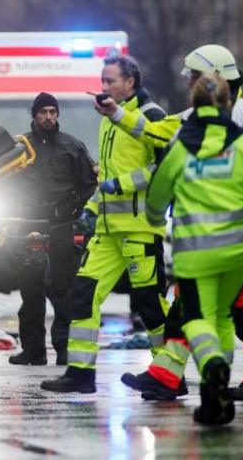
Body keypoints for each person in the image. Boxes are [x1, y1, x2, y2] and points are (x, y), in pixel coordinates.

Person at [97, 45, 243, 402]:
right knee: (193, 303)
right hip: (203, 237)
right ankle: (169, 375)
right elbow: (152, 131)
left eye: (194, 76)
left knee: (236, 305)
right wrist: (116, 113)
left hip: (232, 234)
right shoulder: (189, 119)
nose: (189, 82)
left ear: (214, 77)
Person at [41, 55, 170, 393]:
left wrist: (120, 185)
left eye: (110, 80)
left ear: (130, 82)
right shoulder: (108, 120)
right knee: (83, 296)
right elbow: (107, 178)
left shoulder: (152, 115)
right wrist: (91, 208)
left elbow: (164, 168)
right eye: (102, 80)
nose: (104, 87)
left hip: (140, 229)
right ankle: (80, 374)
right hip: (109, 231)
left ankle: (169, 375)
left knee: (151, 306)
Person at [144, 72, 243, 425]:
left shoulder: (180, 147)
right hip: (241, 251)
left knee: (197, 318)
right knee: (223, 317)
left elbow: (156, 200)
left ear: (194, 105)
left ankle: (212, 365)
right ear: (228, 102)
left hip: (196, 253)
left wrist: (156, 217)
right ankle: (217, 399)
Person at [8, 92, 97, 366]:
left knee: (64, 290)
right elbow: (4, 186)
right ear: (34, 115)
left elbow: (88, 186)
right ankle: (33, 351)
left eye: (52, 112)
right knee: (31, 291)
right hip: (28, 226)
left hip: (63, 225)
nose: (48, 117)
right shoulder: (20, 149)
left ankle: (64, 349)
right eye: (43, 112)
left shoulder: (72, 146)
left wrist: (80, 215)